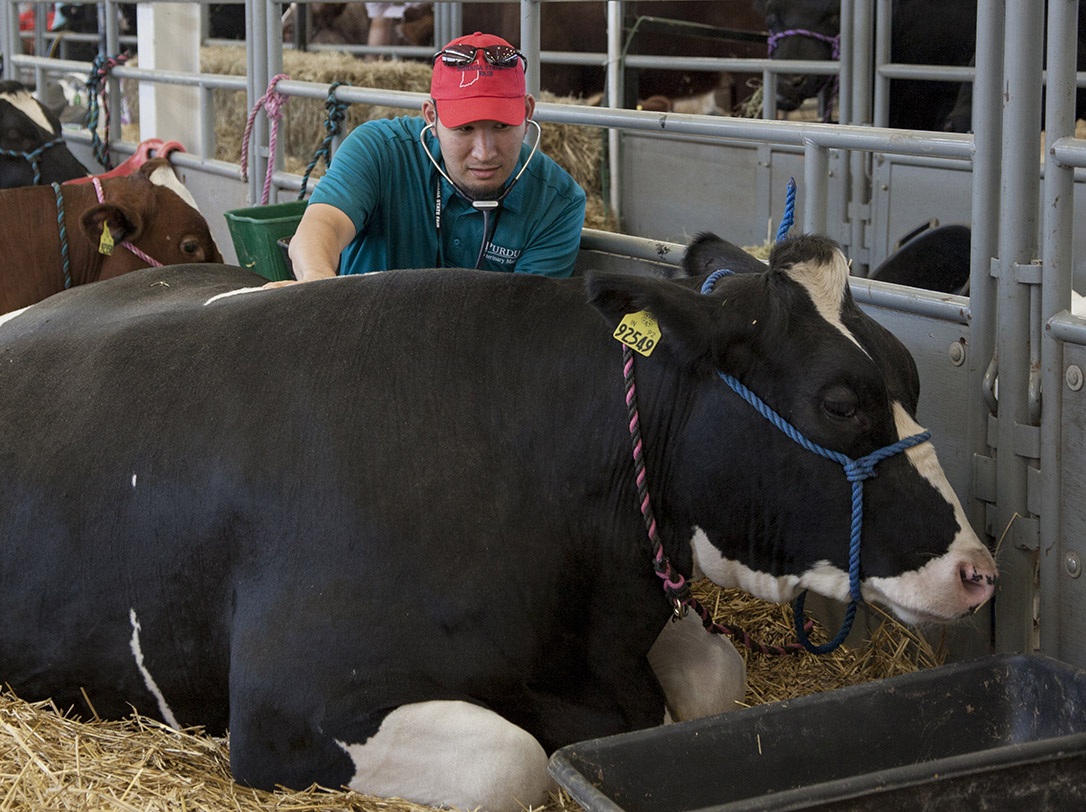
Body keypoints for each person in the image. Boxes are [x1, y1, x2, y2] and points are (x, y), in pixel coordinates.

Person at [272, 31, 587, 286]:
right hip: (364, 341)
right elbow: (322, 224)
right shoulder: (379, 149)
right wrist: (316, 280)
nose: (485, 152)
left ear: (527, 113)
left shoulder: (557, 203)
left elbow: (525, 317)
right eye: (464, 129)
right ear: (431, 118)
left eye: (502, 126)